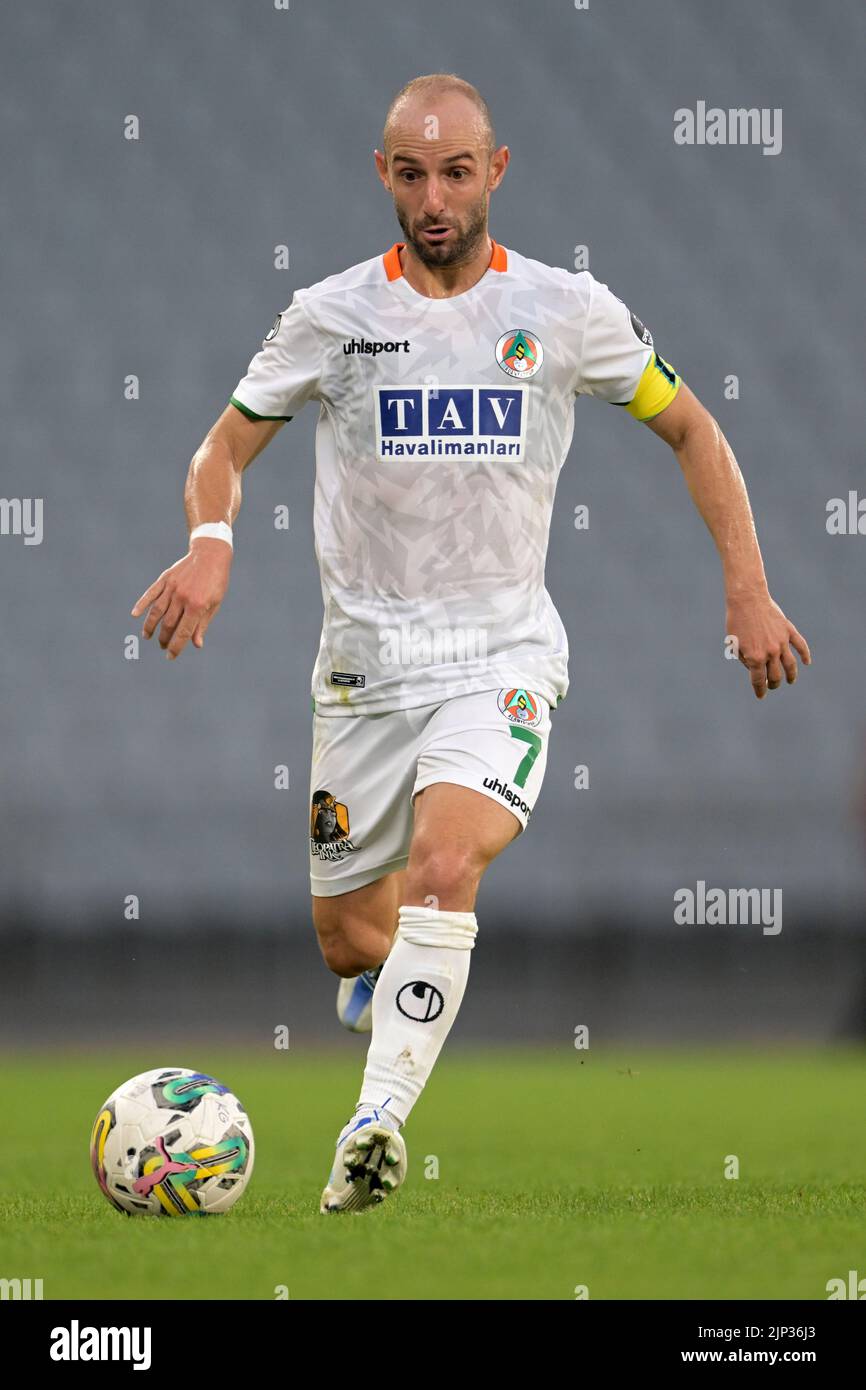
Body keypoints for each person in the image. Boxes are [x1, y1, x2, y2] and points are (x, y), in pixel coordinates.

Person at [131, 73, 811, 1214]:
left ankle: (374, 1124)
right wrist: (210, 540)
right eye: (411, 172)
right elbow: (222, 448)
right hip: (361, 673)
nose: (434, 195)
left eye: (456, 171)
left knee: (447, 868)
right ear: (383, 177)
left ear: (495, 172)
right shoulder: (331, 315)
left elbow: (691, 425)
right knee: (350, 937)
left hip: (498, 658)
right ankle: (395, 979)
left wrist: (745, 588)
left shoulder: (564, 309)